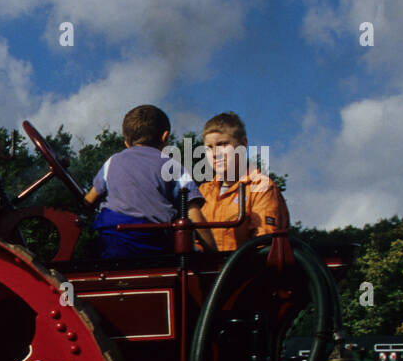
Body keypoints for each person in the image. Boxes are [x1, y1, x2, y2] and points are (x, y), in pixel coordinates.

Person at [83, 104, 216, 257]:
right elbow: (194, 215)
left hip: (112, 245)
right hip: (156, 247)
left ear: (126, 143)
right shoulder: (173, 166)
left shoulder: (112, 162)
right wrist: (214, 254)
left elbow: (89, 200)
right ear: (165, 137)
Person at [197, 112, 289, 250]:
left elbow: (265, 245)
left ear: (243, 144)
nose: (215, 154)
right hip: (207, 270)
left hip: (247, 269)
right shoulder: (203, 192)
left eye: (222, 144)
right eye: (209, 147)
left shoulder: (261, 187)